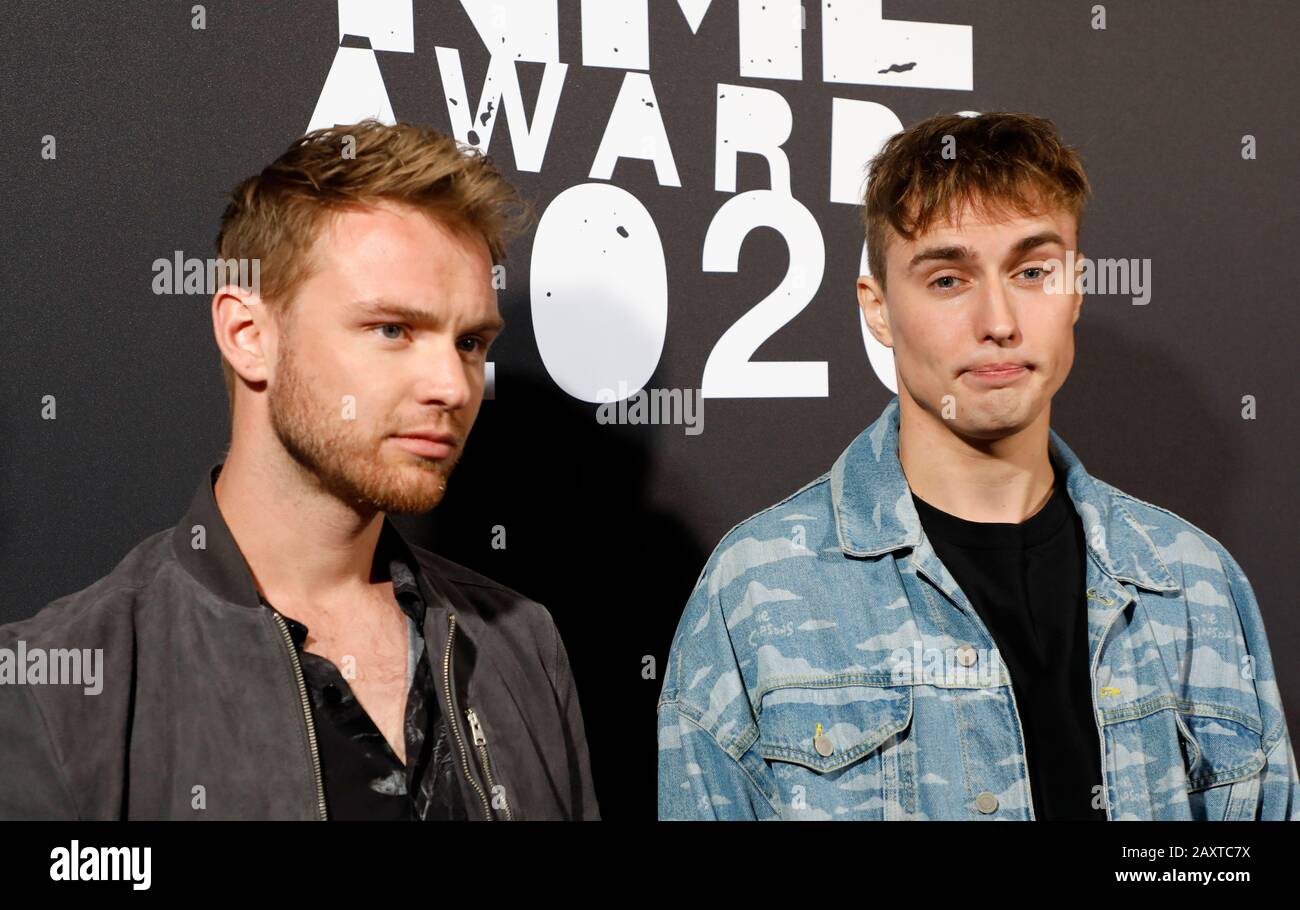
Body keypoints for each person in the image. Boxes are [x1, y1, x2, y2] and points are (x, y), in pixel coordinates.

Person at [657, 111, 1297, 820]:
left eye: (1031, 271)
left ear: (1077, 288)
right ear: (877, 309)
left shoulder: (1194, 583)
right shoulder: (755, 588)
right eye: (947, 280)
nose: (999, 319)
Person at [0, 119, 598, 820]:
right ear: (248, 336)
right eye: (392, 330)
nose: (453, 385)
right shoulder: (58, 687)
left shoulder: (521, 641)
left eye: (469, 341)